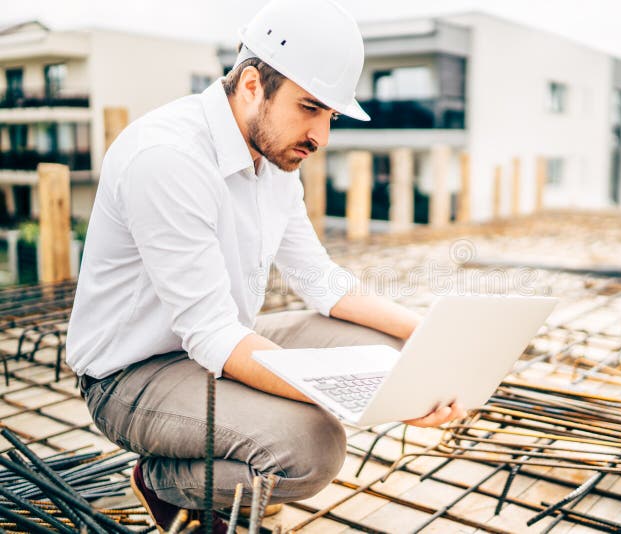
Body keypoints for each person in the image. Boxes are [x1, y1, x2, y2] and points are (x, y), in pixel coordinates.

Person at [65, 0, 465, 531]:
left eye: (330, 115)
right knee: (312, 447)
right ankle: (161, 479)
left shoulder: (274, 156)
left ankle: (238, 460)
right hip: (133, 374)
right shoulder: (168, 158)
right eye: (310, 107)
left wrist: (430, 338)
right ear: (252, 84)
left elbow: (320, 281)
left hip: (223, 340)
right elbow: (210, 335)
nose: (321, 137)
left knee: (390, 352)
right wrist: (359, 395)